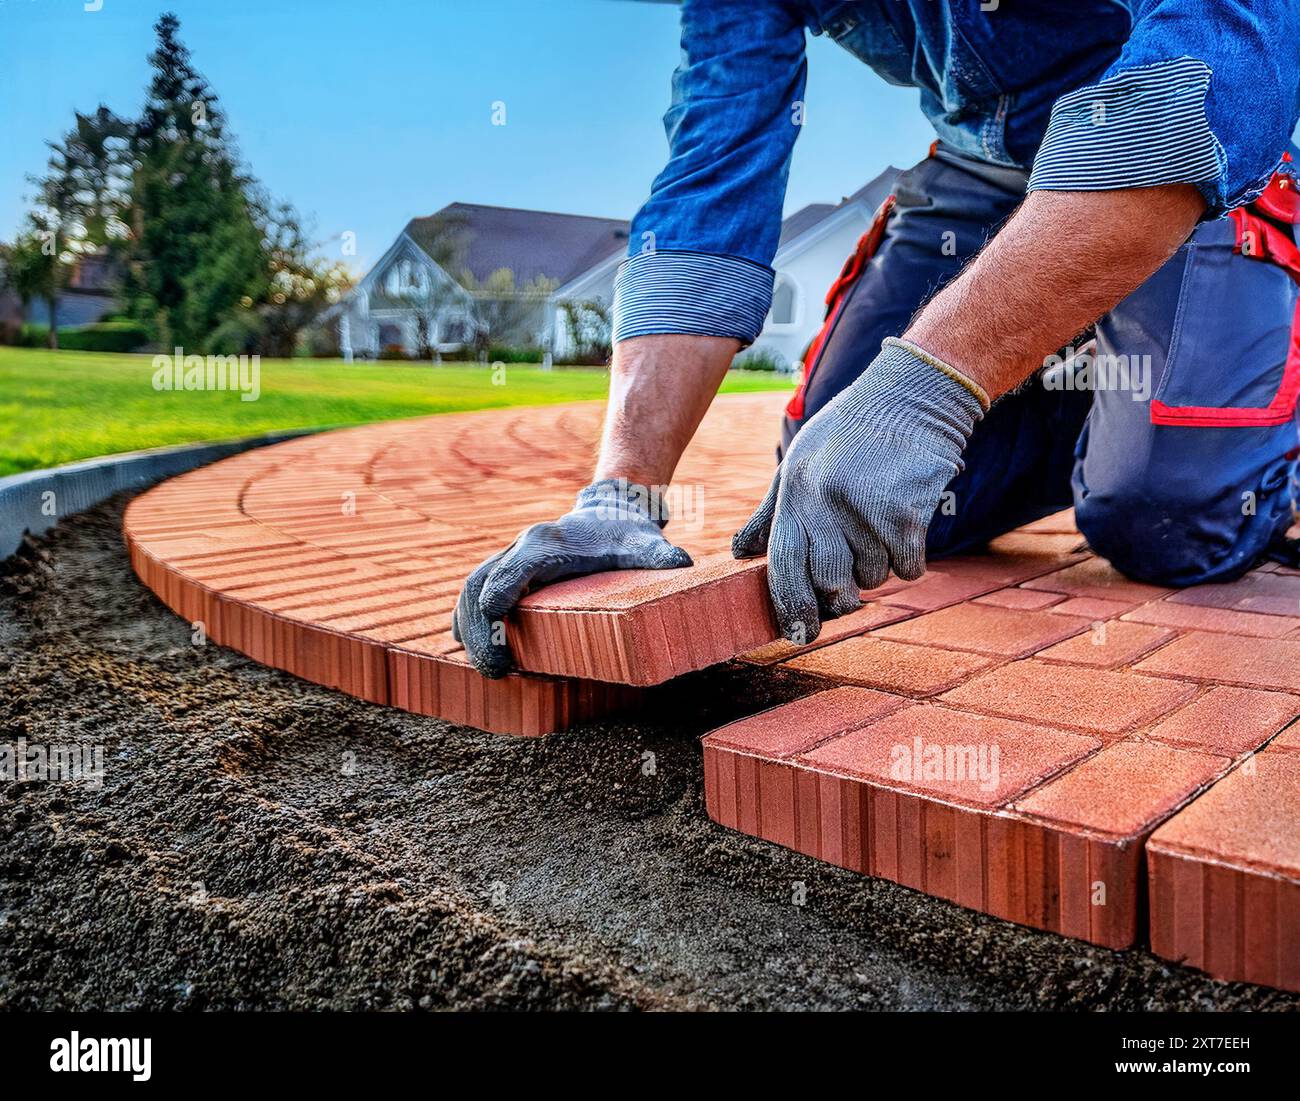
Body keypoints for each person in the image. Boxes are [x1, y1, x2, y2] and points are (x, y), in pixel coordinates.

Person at [454, 0, 1300, 678]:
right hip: (985, 165)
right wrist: (622, 493)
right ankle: (1113, 391)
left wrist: (932, 386)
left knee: (1166, 518)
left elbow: (1212, 73)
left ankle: (1215, 415)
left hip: (1201, 150)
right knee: (847, 495)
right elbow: (711, 177)